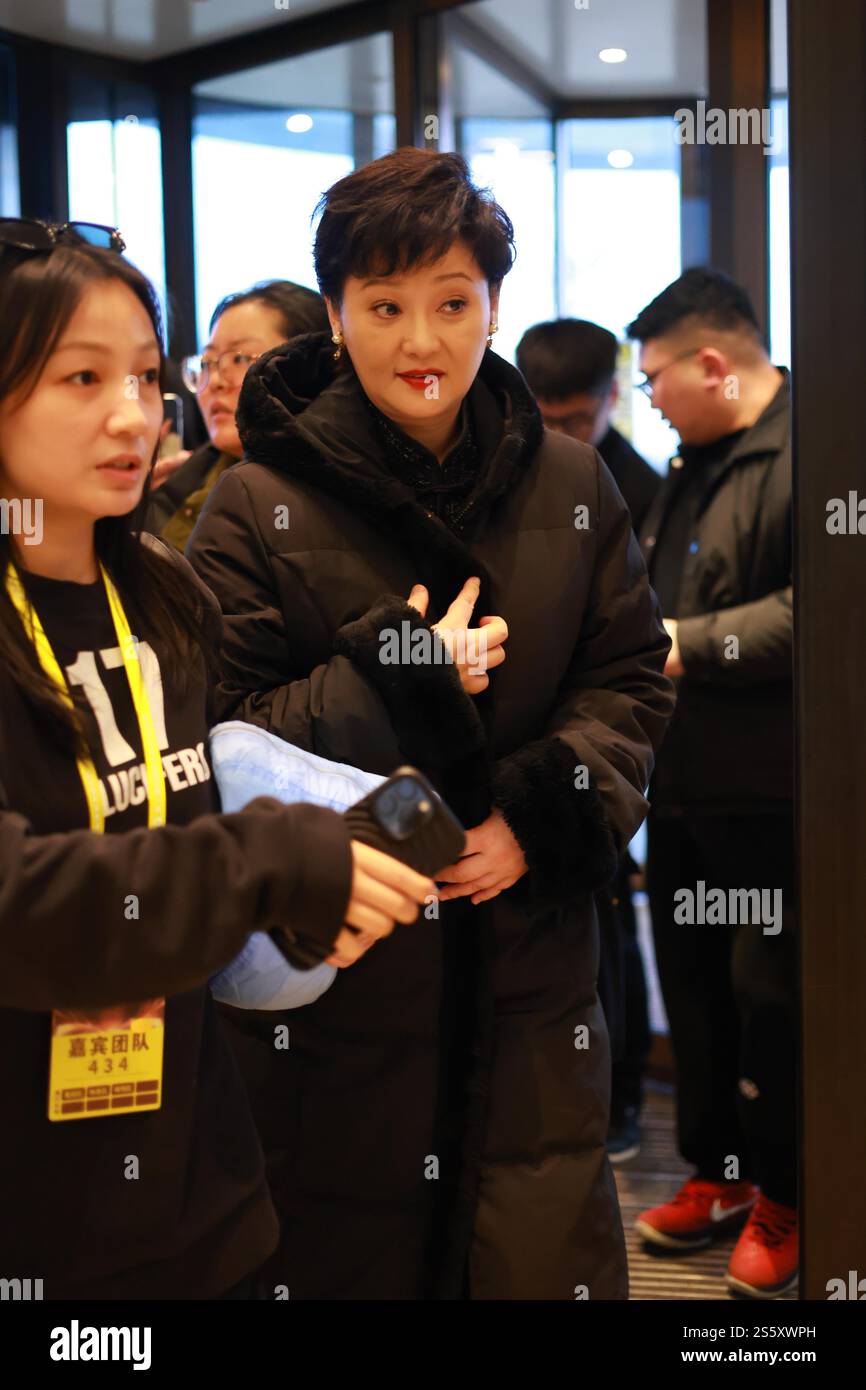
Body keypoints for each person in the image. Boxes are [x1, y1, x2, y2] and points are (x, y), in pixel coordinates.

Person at [187, 148, 675, 1300]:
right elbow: (217, 733)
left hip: (528, 974)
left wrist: (534, 815)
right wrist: (402, 671)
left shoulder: (570, 478)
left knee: (530, 1249)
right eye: (385, 306)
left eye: (453, 303)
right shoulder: (253, 501)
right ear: (339, 316)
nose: (422, 342)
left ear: (491, 304)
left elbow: (630, 682)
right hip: (344, 975)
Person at [0, 220, 433, 1299]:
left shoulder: (163, 593)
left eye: (147, 377)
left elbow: (181, 841)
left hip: (199, 1181)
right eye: (81, 377)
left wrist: (307, 881)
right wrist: (268, 857)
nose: (132, 416)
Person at [625, 268, 796, 1298]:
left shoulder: (814, 448)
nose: (646, 397)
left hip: (773, 789)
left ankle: (786, 1188)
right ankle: (718, 1173)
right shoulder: (688, 458)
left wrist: (684, 642)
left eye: (653, 379)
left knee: (769, 1001)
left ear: (710, 364)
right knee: (691, 995)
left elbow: (815, 610)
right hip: (679, 780)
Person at [517, 316, 661, 1162]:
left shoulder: (637, 484)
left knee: (613, 925)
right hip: (537, 747)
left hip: (610, 749)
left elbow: (640, 656)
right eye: (548, 415)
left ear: (612, 398)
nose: (564, 434)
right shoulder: (522, 476)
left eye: (578, 418)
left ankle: (627, 1098)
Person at [147, 280, 328, 549]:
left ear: (310, 364)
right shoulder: (174, 487)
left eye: (240, 359)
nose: (215, 381)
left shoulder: (331, 499)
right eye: (207, 363)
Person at [516, 317, 660, 531]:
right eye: (543, 420)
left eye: (574, 422)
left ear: (612, 394)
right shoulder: (503, 465)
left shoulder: (640, 493)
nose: (558, 436)